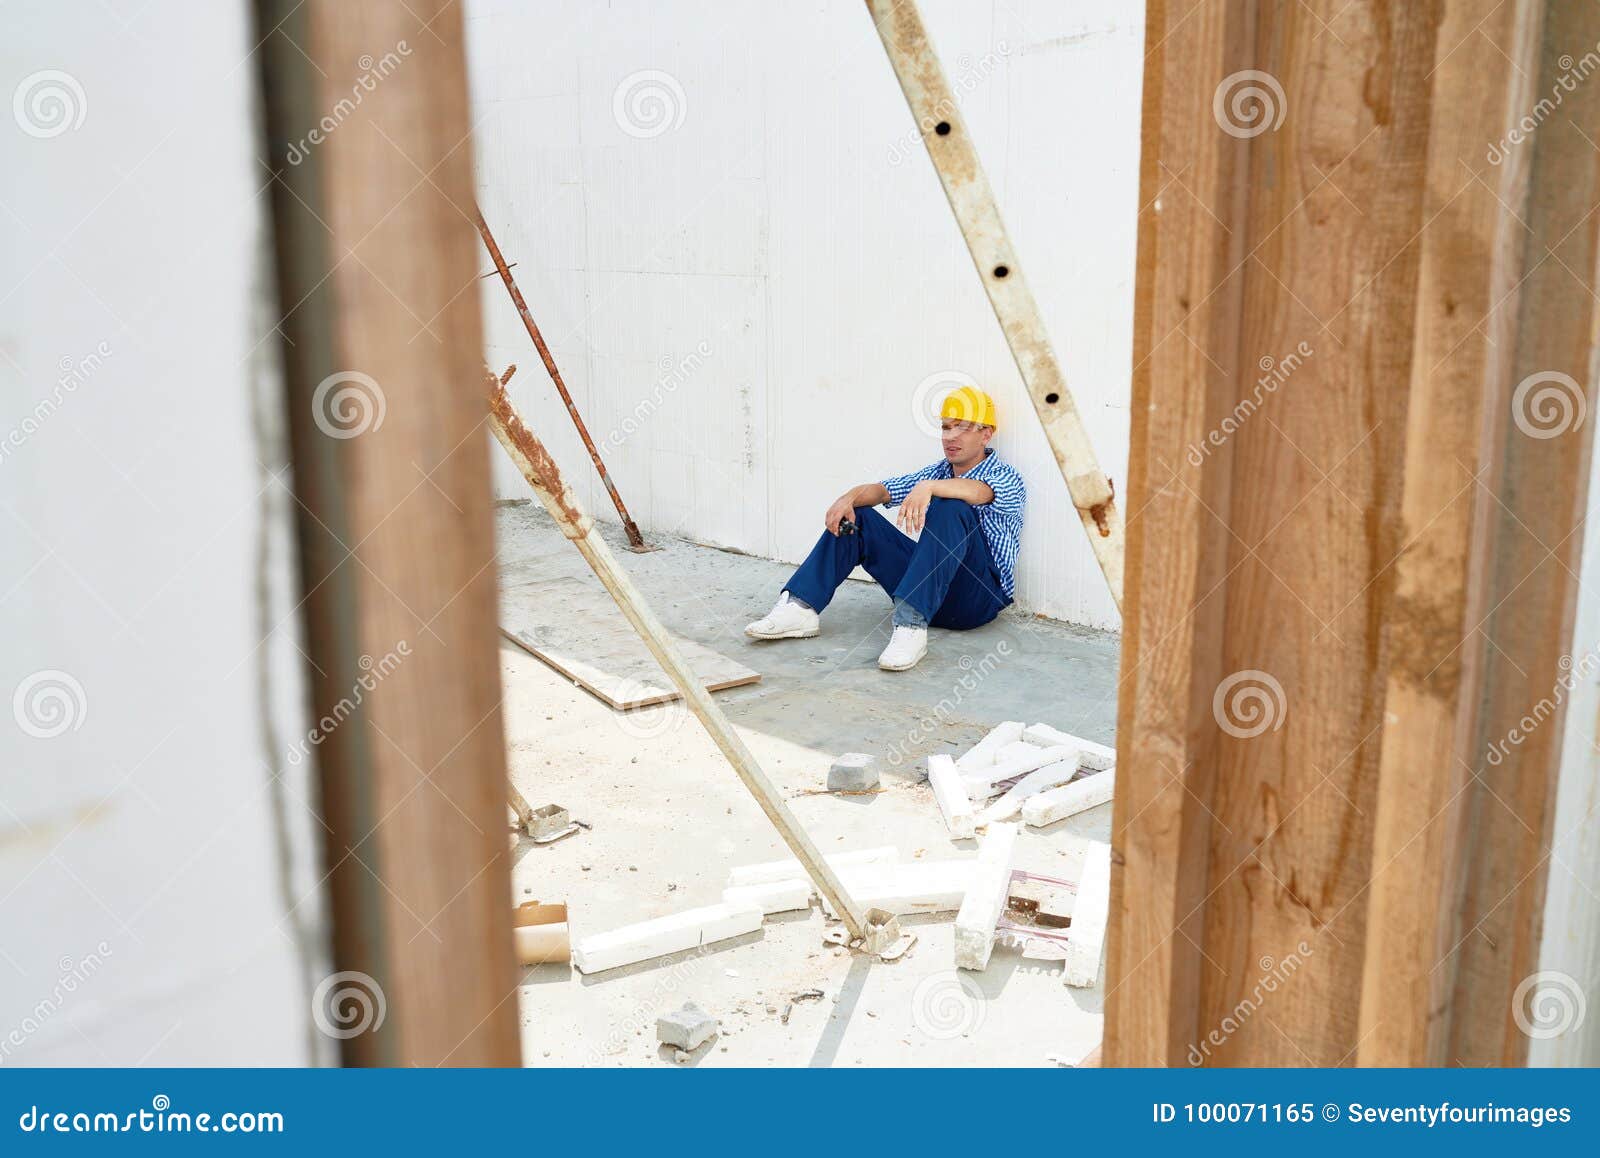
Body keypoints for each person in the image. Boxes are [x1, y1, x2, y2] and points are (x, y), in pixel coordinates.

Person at [745, 386, 1025, 671]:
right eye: (946, 427)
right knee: (859, 517)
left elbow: (978, 492)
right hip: (933, 594)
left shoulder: (1005, 476)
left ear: (986, 434)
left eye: (962, 428)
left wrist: (930, 487)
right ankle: (801, 607)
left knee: (952, 506)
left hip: (975, 601)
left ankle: (910, 625)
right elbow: (883, 491)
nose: (950, 436)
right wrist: (848, 498)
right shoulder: (937, 473)